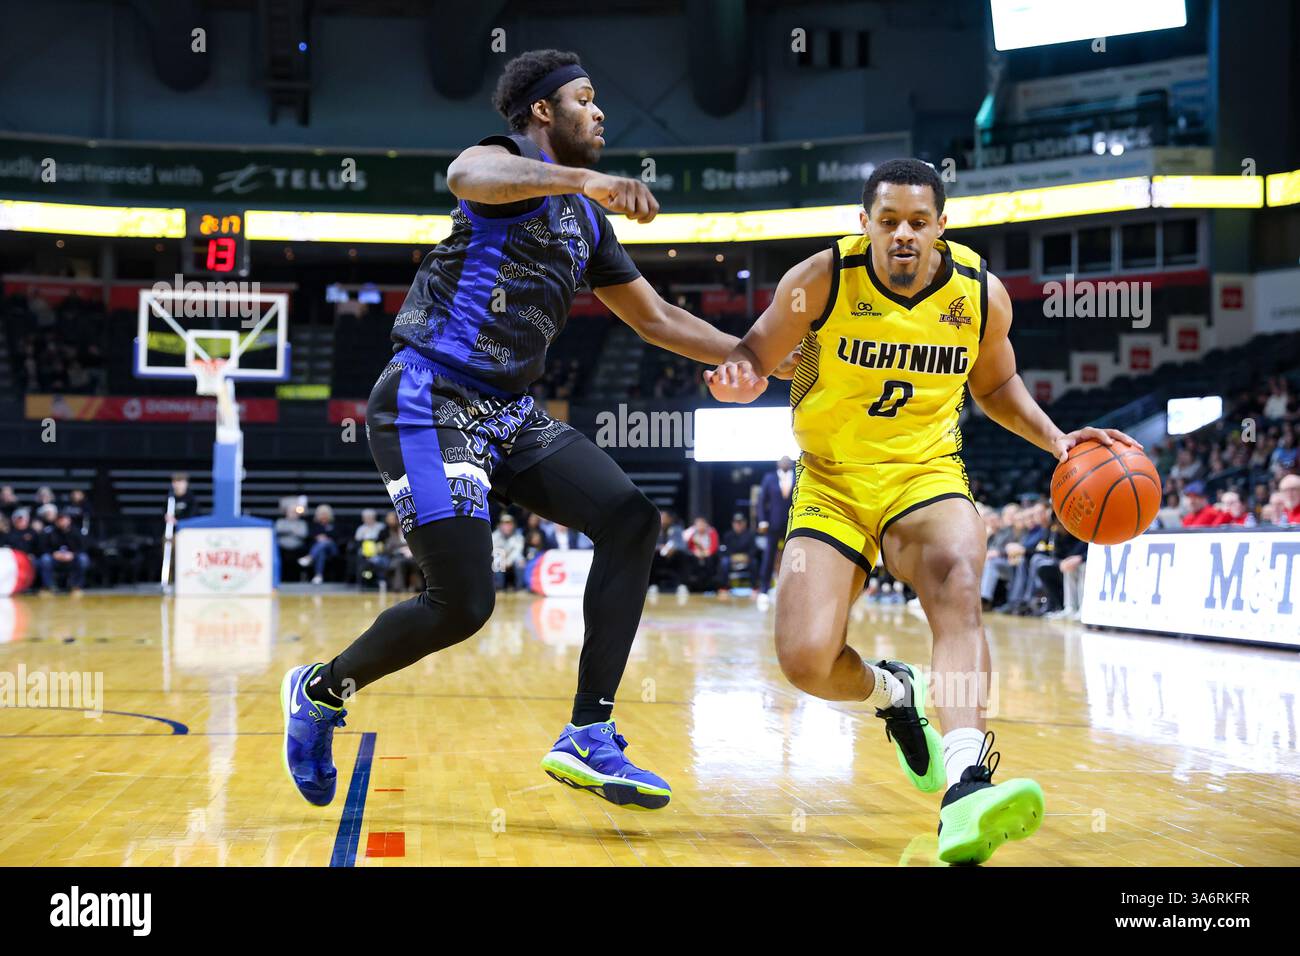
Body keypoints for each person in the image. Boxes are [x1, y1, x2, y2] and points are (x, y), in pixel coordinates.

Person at [280, 49, 794, 811]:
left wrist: (763, 360)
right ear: (544, 111)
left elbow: (657, 318)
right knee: (462, 605)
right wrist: (583, 178)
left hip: (512, 412)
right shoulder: (506, 167)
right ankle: (322, 691)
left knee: (631, 519)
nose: (601, 111)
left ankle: (589, 731)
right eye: (585, 98)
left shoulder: (586, 219)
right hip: (431, 397)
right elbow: (466, 175)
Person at [705, 158, 1138, 864]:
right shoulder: (821, 280)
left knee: (959, 578)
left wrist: (1058, 441)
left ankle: (966, 779)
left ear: (941, 224)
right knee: (806, 662)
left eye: (917, 221)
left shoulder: (979, 294)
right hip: (832, 482)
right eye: (889, 221)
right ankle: (892, 693)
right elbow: (756, 353)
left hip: (924, 475)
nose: (903, 233)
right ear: (865, 223)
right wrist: (739, 377)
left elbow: (995, 387)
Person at [756, 456, 795, 596]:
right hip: (773, 523)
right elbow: (761, 501)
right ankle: (764, 589)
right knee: (769, 555)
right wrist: (762, 521)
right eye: (782, 460)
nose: (785, 462)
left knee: (795, 555)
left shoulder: (798, 476)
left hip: (792, 523)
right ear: (777, 463)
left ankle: (793, 589)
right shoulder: (769, 478)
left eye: (787, 460)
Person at [37, 512, 90, 595]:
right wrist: (53, 553)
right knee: (45, 559)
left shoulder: (77, 531)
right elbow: (43, 547)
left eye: (64, 519)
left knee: (83, 558)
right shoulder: (50, 532)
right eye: (60, 520)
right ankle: (48, 587)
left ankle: (76, 587)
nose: (62, 522)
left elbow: (83, 547)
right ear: (56, 521)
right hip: (55, 559)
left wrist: (73, 554)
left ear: (69, 520)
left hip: (72, 558)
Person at [717, 513, 758, 591]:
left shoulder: (750, 535)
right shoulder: (728, 535)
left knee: (754, 562)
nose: (738, 525)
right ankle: (724, 586)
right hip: (732, 559)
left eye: (740, 522)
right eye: (736, 522)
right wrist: (732, 557)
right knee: (724, 562)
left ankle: (754, 587)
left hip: (746, 558)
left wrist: (747, 557)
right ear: (733, 524)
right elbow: (723, 549)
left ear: (745, 523)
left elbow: (754, 549)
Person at [300, 504, 339, 584]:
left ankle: (310, 557)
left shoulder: (334, 524)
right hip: (319, 550)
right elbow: (310, 536)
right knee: (321, 552)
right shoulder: (314, 525)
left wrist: (326, 538)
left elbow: (339, 536)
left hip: (332, 549)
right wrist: (318, 537)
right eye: (321, 514)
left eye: (325, 514)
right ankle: (318, 576)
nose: (323, 516)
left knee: (325, 542)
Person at [681, 515, 719, 591]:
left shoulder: (712, 532)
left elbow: (714, 546)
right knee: (686, 557)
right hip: (695, 554)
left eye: (702, 524)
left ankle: (709, 583)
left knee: (711, 559)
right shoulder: (691, 532)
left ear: (706, 525)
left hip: (708, 554)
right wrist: (695, 552)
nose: (700, 526)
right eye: (698, 525)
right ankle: (689, 582)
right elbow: (687, 545)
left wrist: (706, 552)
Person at [491, 513, 527, 590]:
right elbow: (494, 552)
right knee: (497, 559)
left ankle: (519, 587)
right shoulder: (494, 536)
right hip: (500, 561)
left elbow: (517, 552)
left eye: (509, 524)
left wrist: (508, 561)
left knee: (521, 560)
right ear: (500, 525)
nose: (507, 526)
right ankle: (499, 586)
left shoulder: (519, 537)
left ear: (513, 525)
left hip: (511, 562)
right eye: (505, 524)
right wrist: (504, 560)